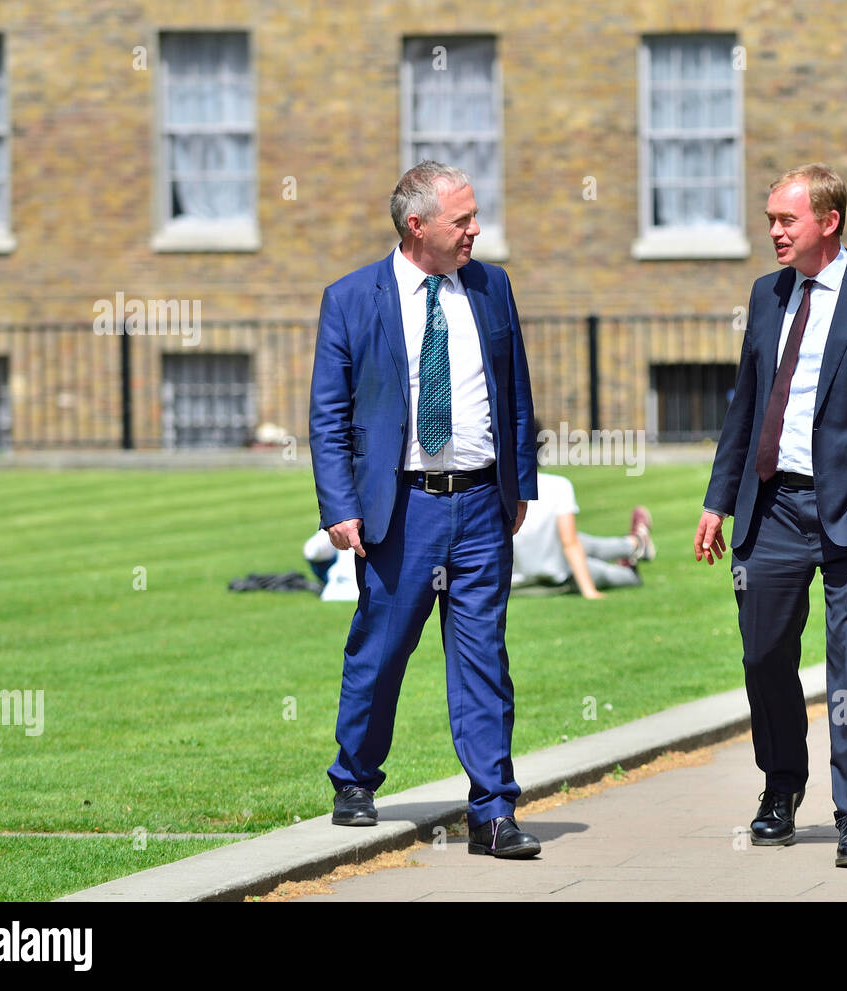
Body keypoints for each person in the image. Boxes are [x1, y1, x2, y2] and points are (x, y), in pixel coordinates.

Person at [693, 163, 847, 867]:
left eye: (785, 220)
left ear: (827, 221)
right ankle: (781, 784)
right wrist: (716, 498)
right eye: (770, 219)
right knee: (763, 653)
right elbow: (746, 405)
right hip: (771, 506)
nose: (772, 231)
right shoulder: (767, 296)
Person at [308, 160, 541, 858]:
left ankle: (493, 811)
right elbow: (328, 414)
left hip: (480, 505)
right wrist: (339, 505)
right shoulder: (352, 298)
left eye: (474, 217)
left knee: (483, 659)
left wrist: (520, 485)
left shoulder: (492, 286)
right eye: (462, 220)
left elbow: (516, 392)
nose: (476, 230)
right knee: (380, 652)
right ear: (418, 226)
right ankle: (354, 777)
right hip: (401, 508)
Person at [511, 472, 655, 599]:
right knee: (620, 575)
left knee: (579, 541)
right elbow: (570, 543)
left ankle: (634, 545)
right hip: (559, 575)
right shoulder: (557, 485)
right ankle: (635, 546)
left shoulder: (493, 489)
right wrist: (589, 591)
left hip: (517, 580)